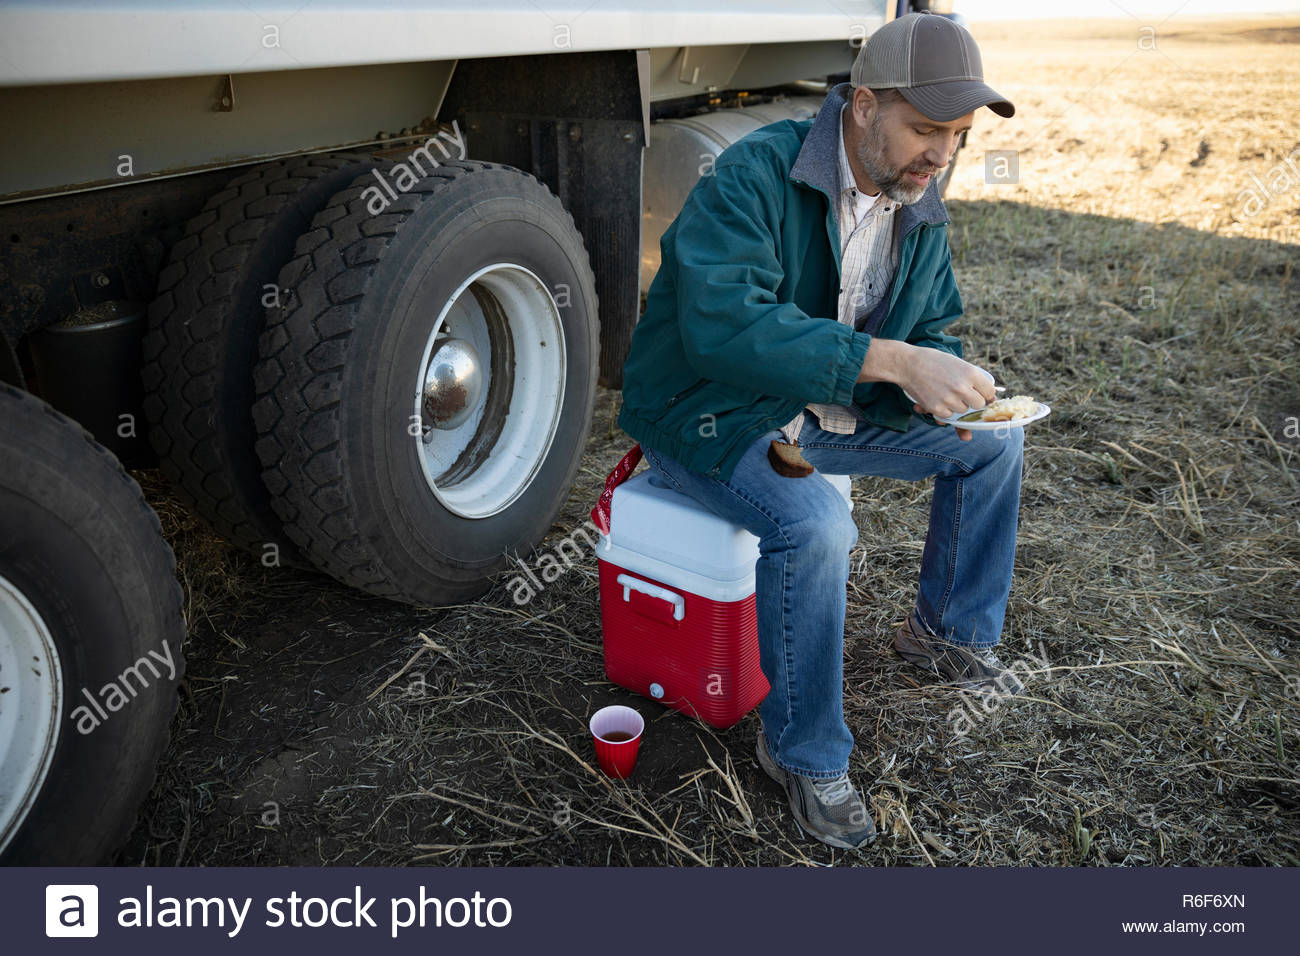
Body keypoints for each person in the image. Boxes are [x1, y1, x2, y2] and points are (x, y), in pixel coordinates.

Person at [616, 12, 1023, 850]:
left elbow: (933, 324)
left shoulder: (918, 195)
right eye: (924, 129)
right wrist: (893, 361)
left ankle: (946, 634)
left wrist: (941, 377)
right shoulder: (753, 175)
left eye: (957, 134)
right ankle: (801, 753)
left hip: (832, 411)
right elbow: (723, 327)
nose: (941, 154)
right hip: (714, 412)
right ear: (865, 105)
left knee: (995, 443)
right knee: (815, 526)